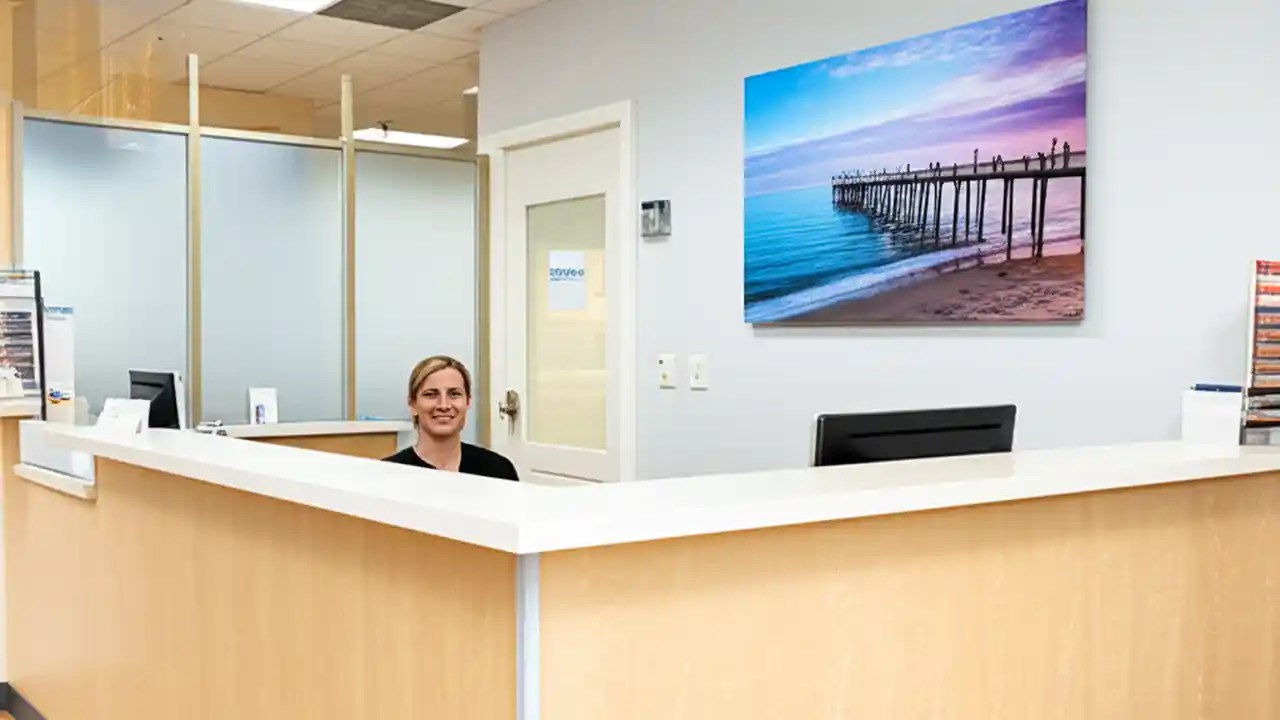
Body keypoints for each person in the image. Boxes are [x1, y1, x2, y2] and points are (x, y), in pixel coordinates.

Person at [383, 355, 519, 481]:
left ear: (467, 402)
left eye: (454, 394)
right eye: (431, 394)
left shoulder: (498, 470)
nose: (444, 405)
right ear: (412, 404)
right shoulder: (388, 475)